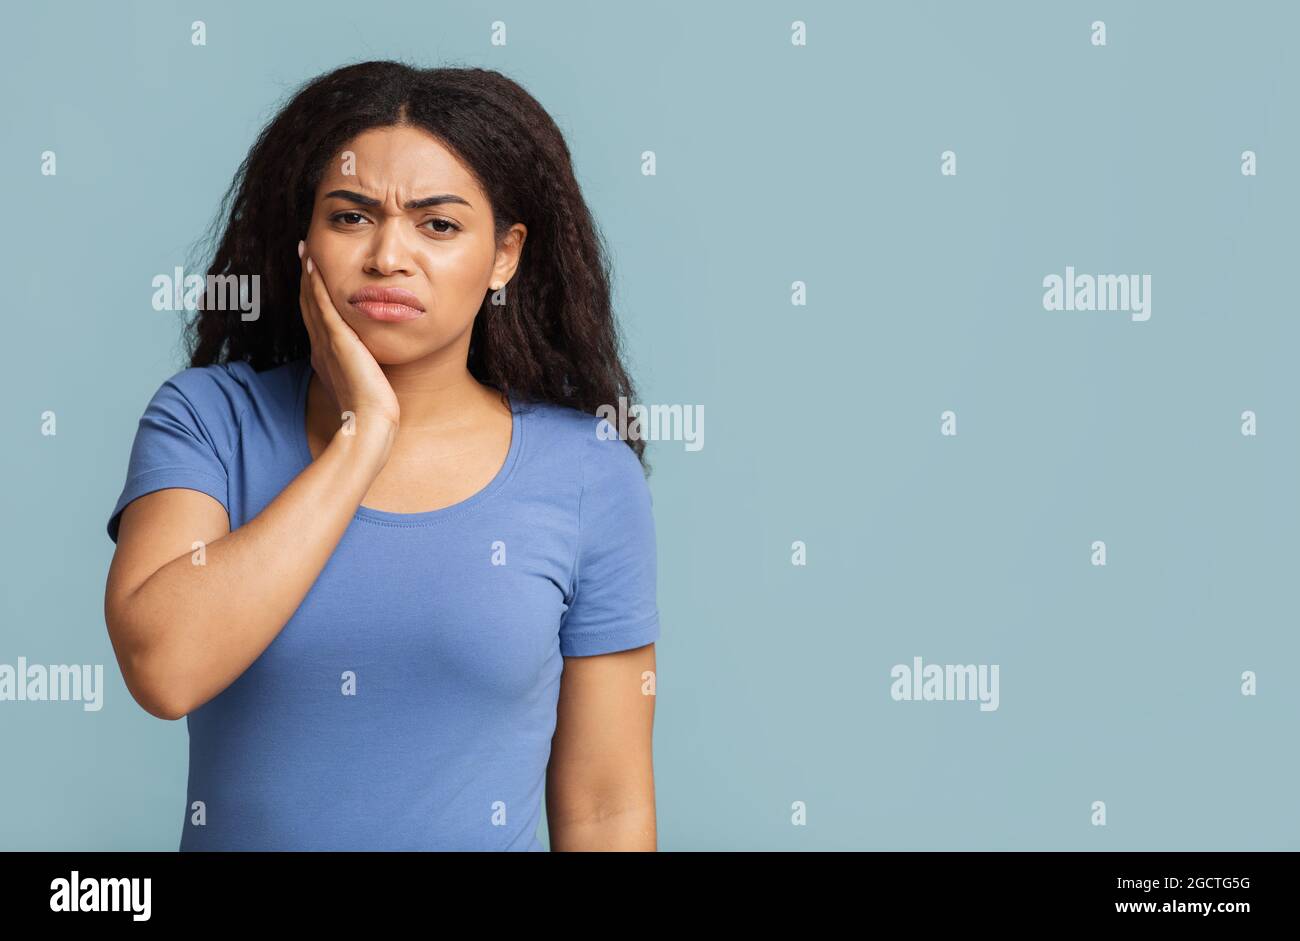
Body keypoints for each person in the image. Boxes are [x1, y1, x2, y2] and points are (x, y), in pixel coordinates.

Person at [102, 61, 661, 851]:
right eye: (351, 216)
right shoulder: (207, 421)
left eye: (438, 224)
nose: (388, 255)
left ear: (505, 255)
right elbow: (164, 668)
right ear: (305, 242)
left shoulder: (587, 472)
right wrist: (363, 437)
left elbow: (608, 808)